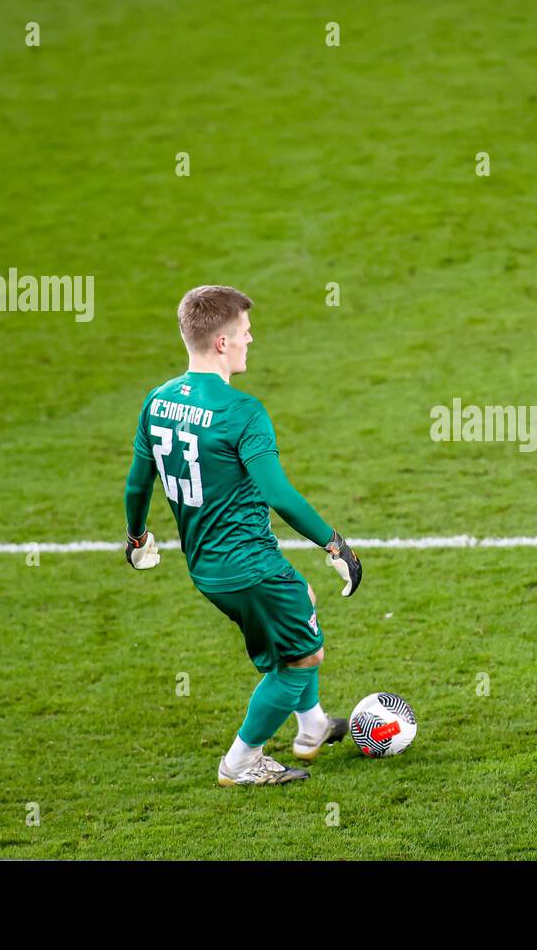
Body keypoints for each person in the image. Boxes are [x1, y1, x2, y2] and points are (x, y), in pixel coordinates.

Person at [122, 285, 362, 786]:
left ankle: (313, 726)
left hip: (208, 566)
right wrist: (334, 543)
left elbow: (136, 483)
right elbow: (278, 493)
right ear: (222, 345)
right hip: (248, 564)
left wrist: (137, 537)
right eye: (245, 333)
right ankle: (240, 761)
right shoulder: (243, 412)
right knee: (302, 659)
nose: (251, 338)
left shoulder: (158, 400)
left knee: (303, 600)